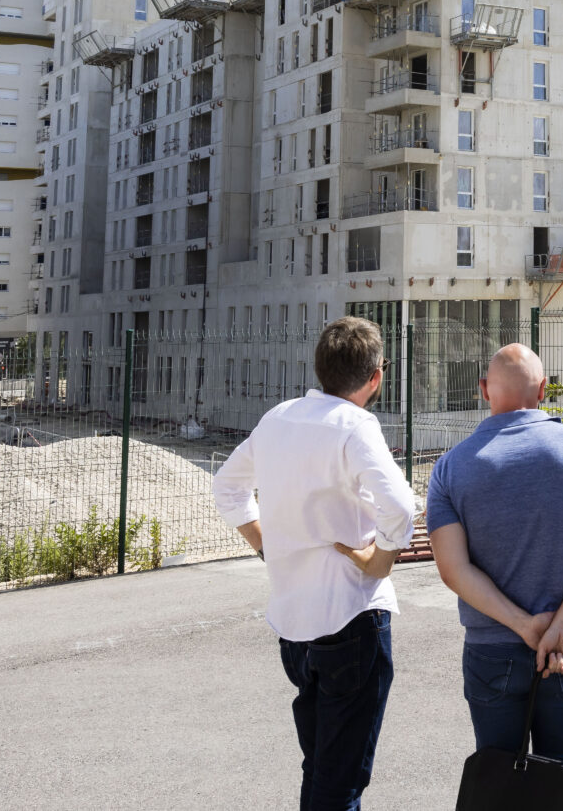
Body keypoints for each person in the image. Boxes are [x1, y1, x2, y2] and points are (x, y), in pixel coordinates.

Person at [212, 317, 415, 811]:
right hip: (351, 616)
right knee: (339, 781)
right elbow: (403, 507)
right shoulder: (355, 426)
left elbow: (226, 486)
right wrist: (380, 560)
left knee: (321, 768)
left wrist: (266, 545)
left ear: (321, 368)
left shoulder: (280, 417)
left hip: (294, 626)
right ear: (377, 376)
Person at [427, 344, 563, 765]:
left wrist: (524, 625)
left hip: (492, 649)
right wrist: (560, 626)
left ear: (483, 390)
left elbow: (453, 570)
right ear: (545, 390)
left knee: (499, 781)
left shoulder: (449, 469)